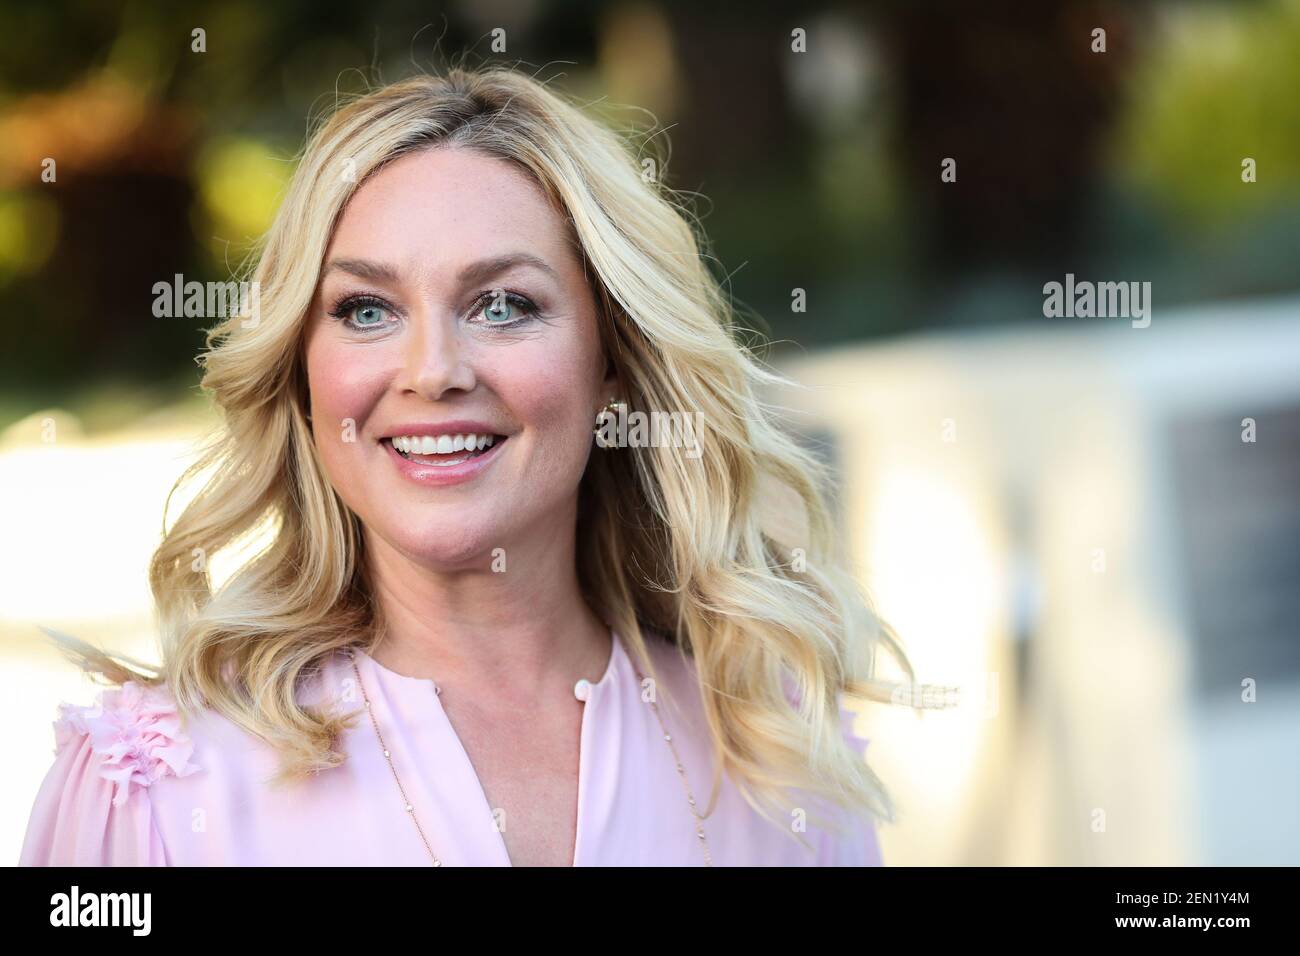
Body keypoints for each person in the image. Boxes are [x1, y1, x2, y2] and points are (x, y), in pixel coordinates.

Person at [19, 64, 934, 867]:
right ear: (302, 371)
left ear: (613, 362)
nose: (432, 373)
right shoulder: (151, 792)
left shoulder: (778, 759)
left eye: (502, 304)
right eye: (366, 310)